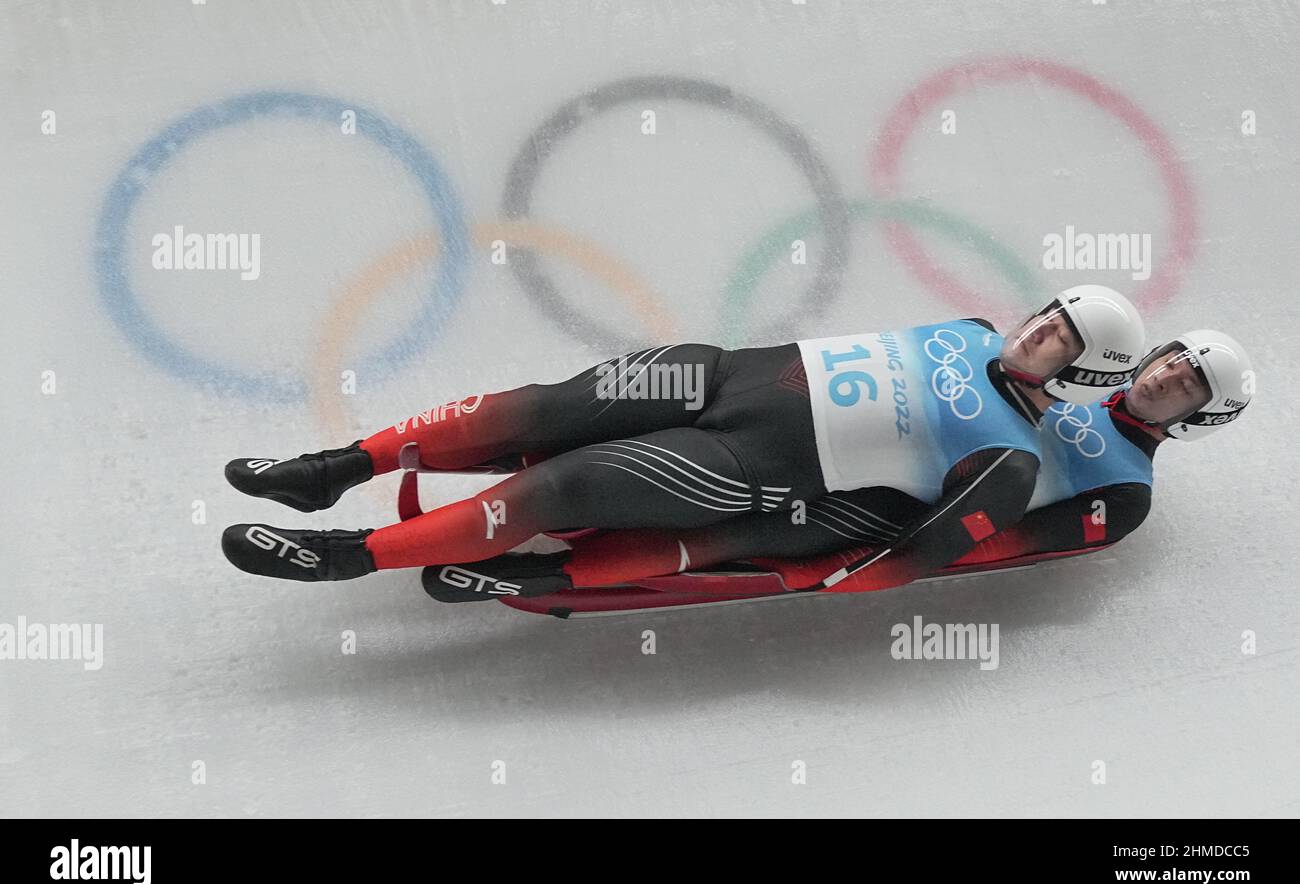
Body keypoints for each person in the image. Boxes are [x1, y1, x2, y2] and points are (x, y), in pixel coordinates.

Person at [221, 286, 1145, 598]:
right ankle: (333, 471)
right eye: (1049, 313)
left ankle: (346, 556)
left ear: (1083, 371)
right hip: (721, 374)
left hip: (752, 469)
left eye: (1061, 337)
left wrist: (822, 568)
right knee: (534, 410)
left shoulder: (1012, 461)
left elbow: (925, 550)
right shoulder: (978, 327)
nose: (1037, 331)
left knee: (564, 488)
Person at [563, 327, 1253, 597]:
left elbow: (999, 543)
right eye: (1171, 359)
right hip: (843, 424)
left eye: (1187, 383)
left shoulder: (1126, 493)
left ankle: (547, 571)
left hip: (892, 506)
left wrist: (874, 561)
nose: (1165, 376)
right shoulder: (1086, 367)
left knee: (730, 536)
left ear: (1198, 416)